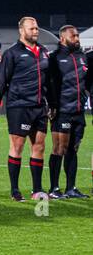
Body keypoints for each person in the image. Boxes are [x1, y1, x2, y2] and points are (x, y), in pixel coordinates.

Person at [0, 16, 50, 201]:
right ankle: (15, 190)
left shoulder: (43, 52)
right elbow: (2, 81)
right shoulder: (12, 53)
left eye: (36, 28)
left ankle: (37, 189)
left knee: (39, 147)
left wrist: (49, 103)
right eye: (31, 29)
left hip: (39, 107)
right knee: (17, 147)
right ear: (22, 30)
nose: (35, 31)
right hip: (19, 107)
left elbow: (48, 81)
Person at [44, 24, 88, 198]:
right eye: (73, 36)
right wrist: (52, 105)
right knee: (59, 148)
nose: (77, 39)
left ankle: (71, 188)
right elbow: (48, 84)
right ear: (63, 38)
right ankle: (54, 188)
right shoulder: (54, 58)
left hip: (78, 111)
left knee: (73, 149)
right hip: (62, 110)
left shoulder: (82, 57)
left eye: (77, 36)